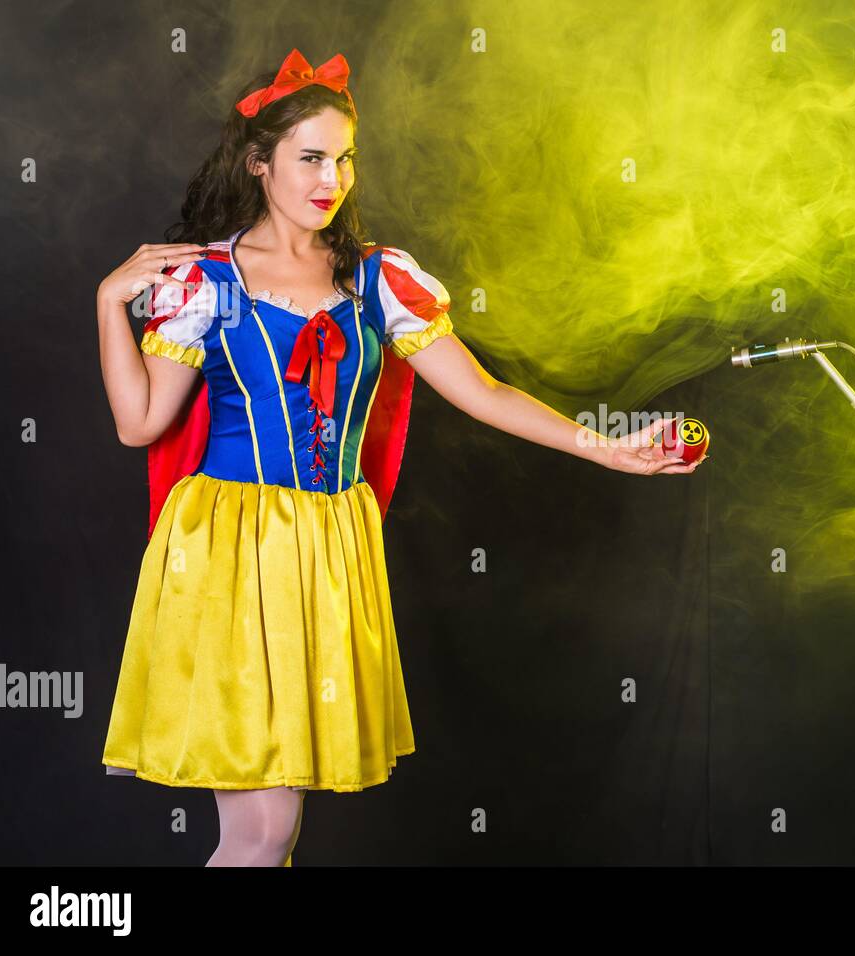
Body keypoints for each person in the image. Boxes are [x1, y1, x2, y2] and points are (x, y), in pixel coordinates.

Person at [96, 49, 706, 867]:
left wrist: (608, 450)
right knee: (263, 829)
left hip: (331, 551)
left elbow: (484, 393)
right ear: (259, 162)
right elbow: (139, 423)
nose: (330, 178)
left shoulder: (377, 279)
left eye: (343, 158)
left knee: (270, 831)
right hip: (231, 553)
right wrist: (109, 302)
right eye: (310, 157)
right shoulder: (206, 280)